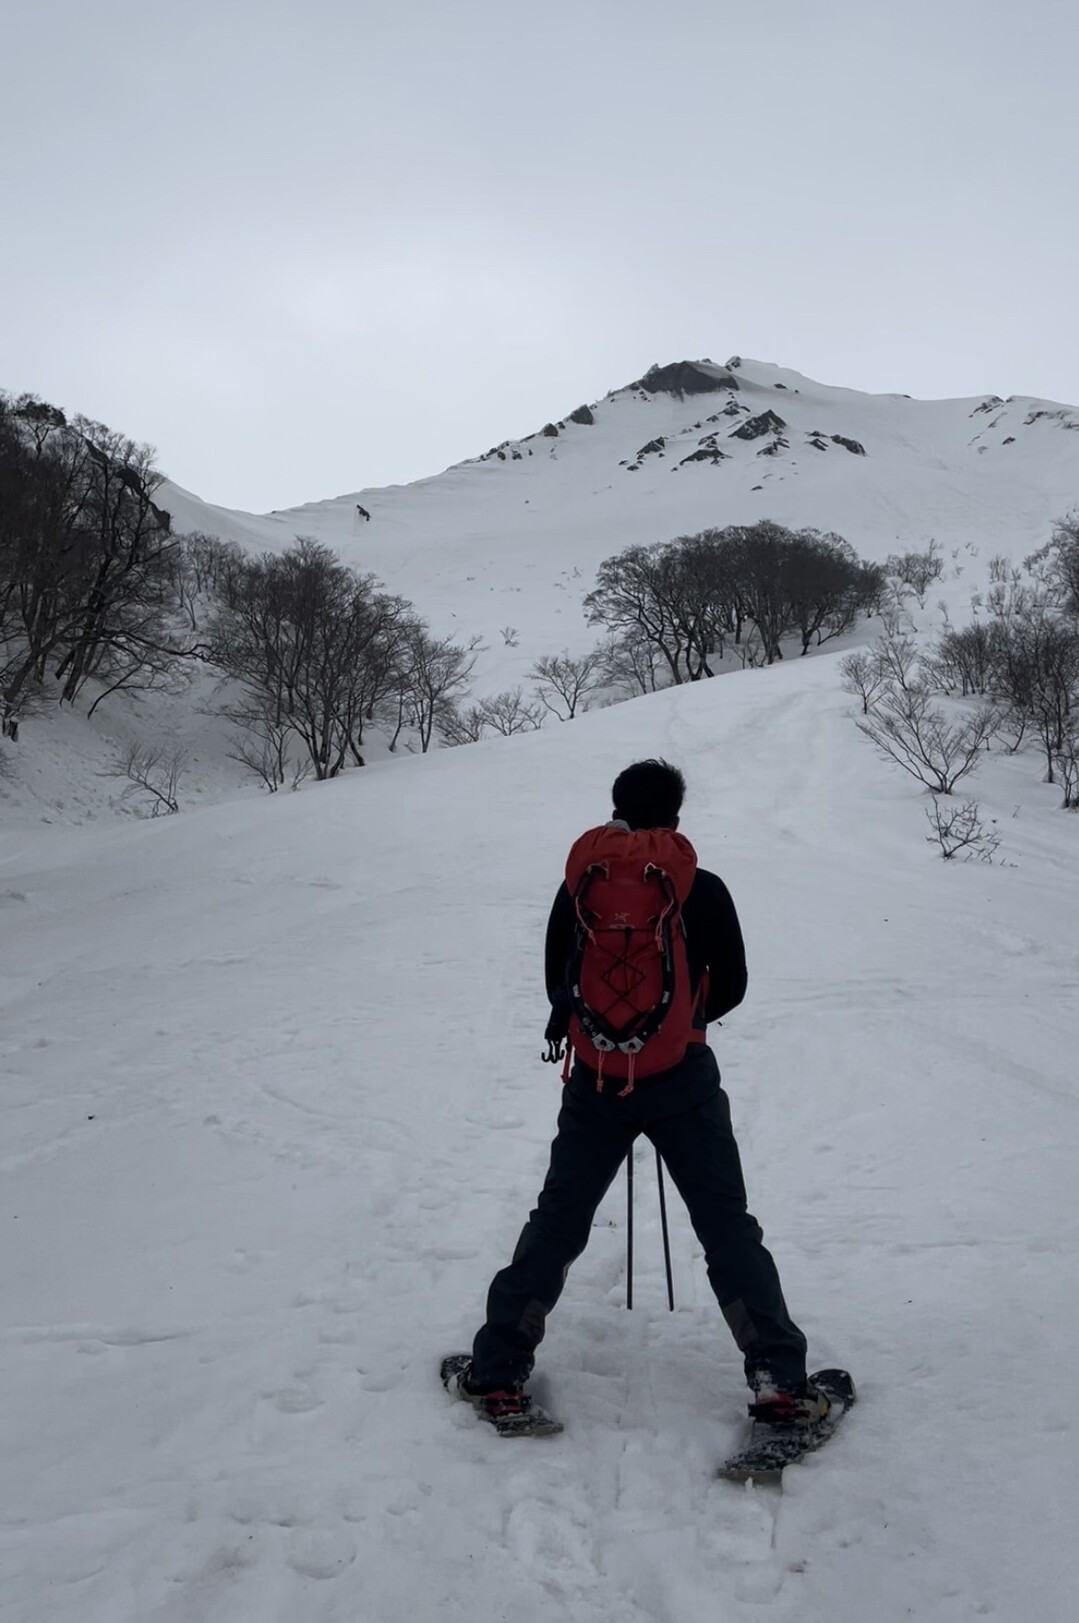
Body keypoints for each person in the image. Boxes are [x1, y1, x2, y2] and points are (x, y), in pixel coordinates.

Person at [450, 759, 827, 1432]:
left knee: (557, 1221)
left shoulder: (581, 886)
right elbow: (733, 983)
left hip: (596, 1079)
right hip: (683, 1079)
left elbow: (557, 980)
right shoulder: (699, 887)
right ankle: (778, 1382)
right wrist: (677, 1022)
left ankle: (498, 1370)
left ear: (615, 810)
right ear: (675, 820)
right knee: (725, 1226)